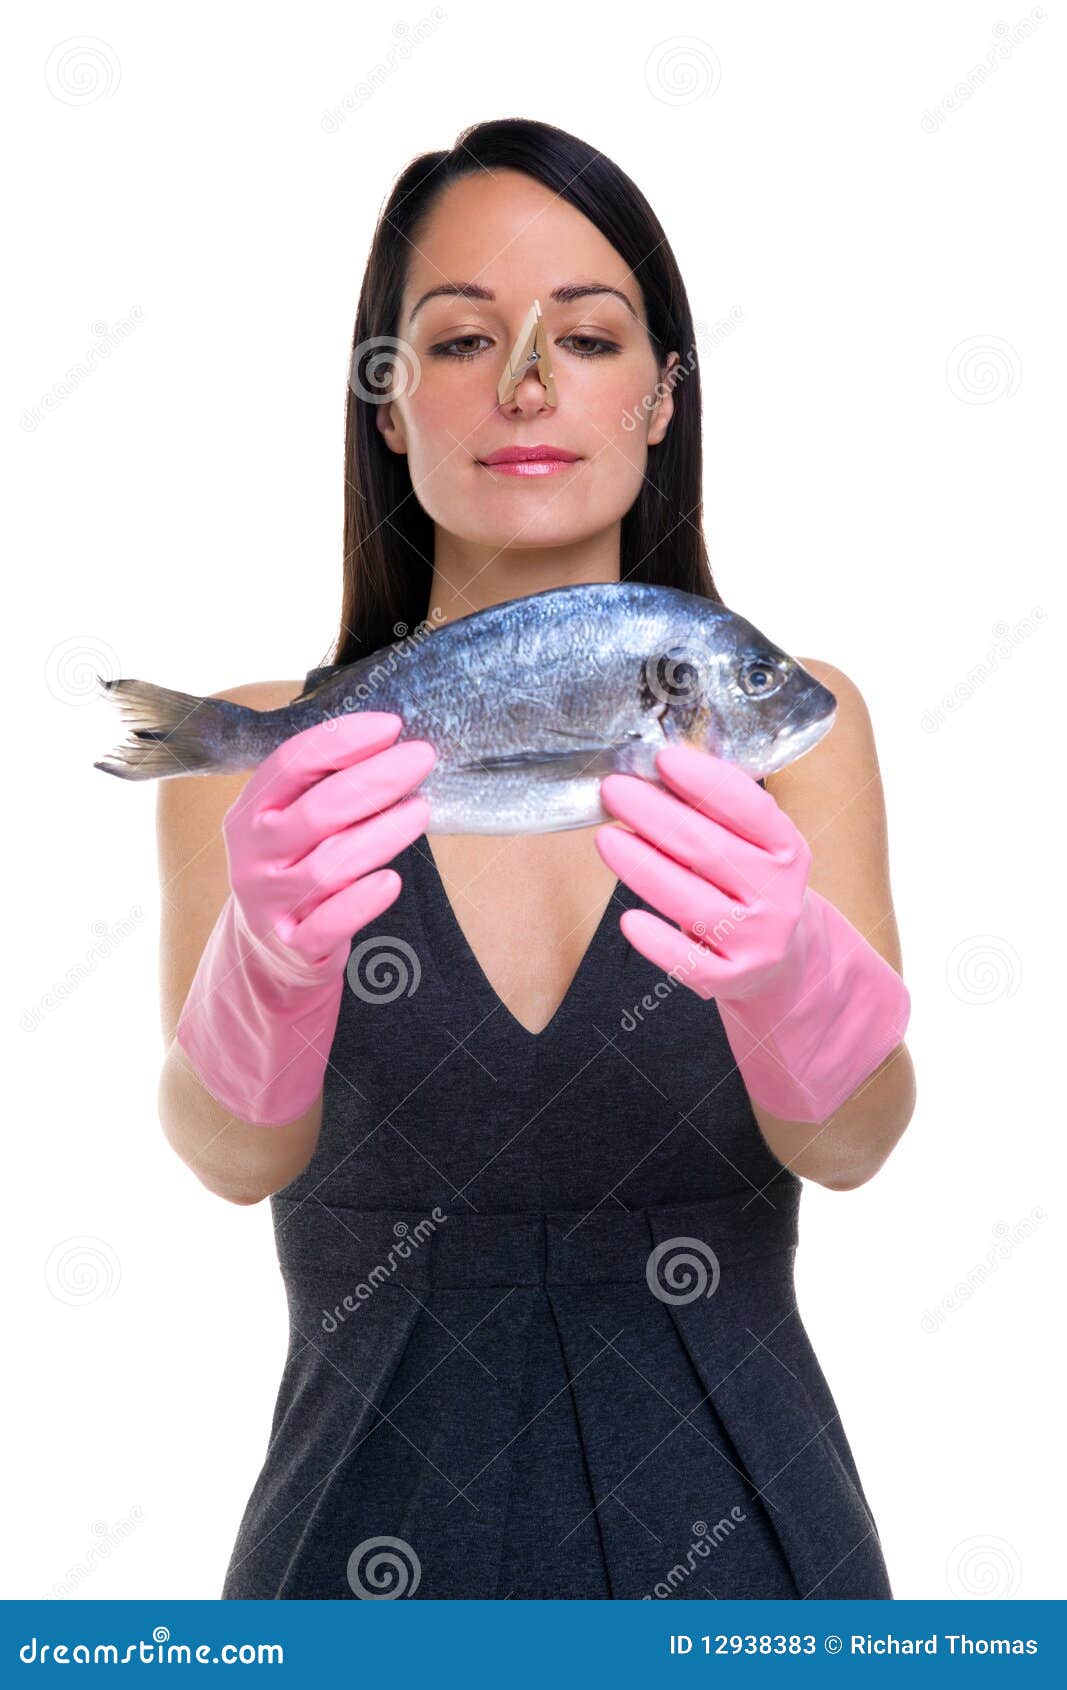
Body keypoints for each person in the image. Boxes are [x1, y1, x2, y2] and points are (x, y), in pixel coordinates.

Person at [157, 118, 915, 1601]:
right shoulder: (266, 747)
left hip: (746, 1539)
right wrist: (268, 968)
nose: (523, 384)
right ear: (387, 404)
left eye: (585, 334)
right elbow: (231, 1154)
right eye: (457, 341)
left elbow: (861, 1138)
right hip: (357, 1545)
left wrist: (797, 977)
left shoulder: (794, 721)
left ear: (661, 396)